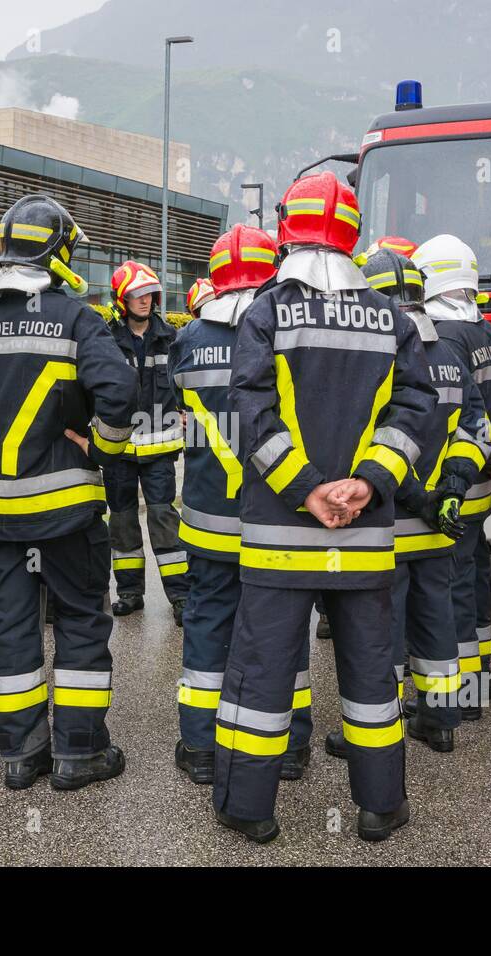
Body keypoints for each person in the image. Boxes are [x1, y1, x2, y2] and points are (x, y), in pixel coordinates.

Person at [213, 172, 436, 843]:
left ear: (289, 230)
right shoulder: (392, 319)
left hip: (282, 533)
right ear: (351, 234)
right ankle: (379, 805)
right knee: (371, 675)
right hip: (364, 538)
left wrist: (306, 487)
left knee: (263, 673)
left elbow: (251, 409)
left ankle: (249, 808)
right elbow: (415, 411)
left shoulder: (265, 312)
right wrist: (367, 483)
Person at [0, 193, 137, 791]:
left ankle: (21, 756)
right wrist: (102, 446)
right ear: (60, 250)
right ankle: (79, 754)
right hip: (66, 512)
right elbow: (119, 390)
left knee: (12, 627)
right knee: (79, 623)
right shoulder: (75, 317)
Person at [322, 241, 490, 757]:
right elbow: (477, 431)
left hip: (389, 518)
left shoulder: (378, 351)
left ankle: (382, 725)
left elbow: (368, 441)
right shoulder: (447, 353)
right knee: (435, 615)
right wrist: (452, 490)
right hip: (439, 520)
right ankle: (440, 719)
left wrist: (418, 496)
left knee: (381, 626)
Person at [171, 224, 318, 783]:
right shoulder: (283, 326)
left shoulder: (187, 340)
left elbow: (179, 411)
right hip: (277, 515)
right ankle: (290, 745)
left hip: (209, 517)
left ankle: (202, 748)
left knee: (209, 625)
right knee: (283, 628)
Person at [412, 233, 491, 718]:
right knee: (474, 582)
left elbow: (461, 415)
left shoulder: (442, 335)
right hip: (482, 486)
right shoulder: (489, 333)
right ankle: (476, 680)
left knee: (448, 590)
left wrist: (489, 459)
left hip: (451, 488)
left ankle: (457, 697)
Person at [105, 260, 190, 624]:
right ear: (122, 299)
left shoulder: (172, 337)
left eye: (149, 294)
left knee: (163, 519)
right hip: (118, 451)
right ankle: (129, 593)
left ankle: (181, 597)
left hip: (159, 451)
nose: (145, 300)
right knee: (122, 522)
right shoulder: (106, 339)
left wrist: (187, 411)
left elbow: (186, 382)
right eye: (137, 294)